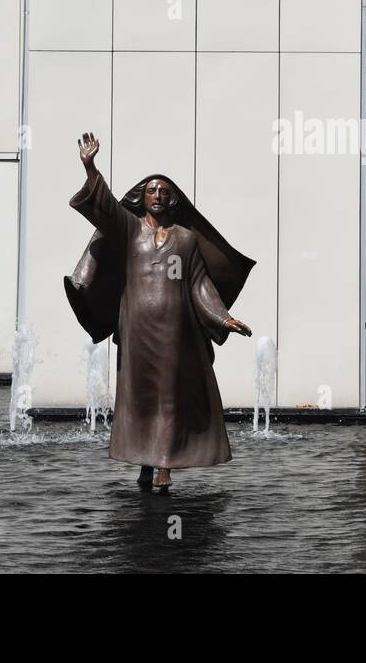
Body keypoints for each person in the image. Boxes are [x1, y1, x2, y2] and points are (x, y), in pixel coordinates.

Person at [64, 132, 254, 492]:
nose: (157, 196)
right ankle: (145, 464)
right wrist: (90, 167)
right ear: (142, 197)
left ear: (173, 200)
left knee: (169, 395)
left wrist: (222, 317)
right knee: (141, 396)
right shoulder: (130, 229)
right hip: (136, 327)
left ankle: (164, 463)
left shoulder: (185, 238)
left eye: (164, 192)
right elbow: (103, 205)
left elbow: (198, 284)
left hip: (174, 329)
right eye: (151, 190)